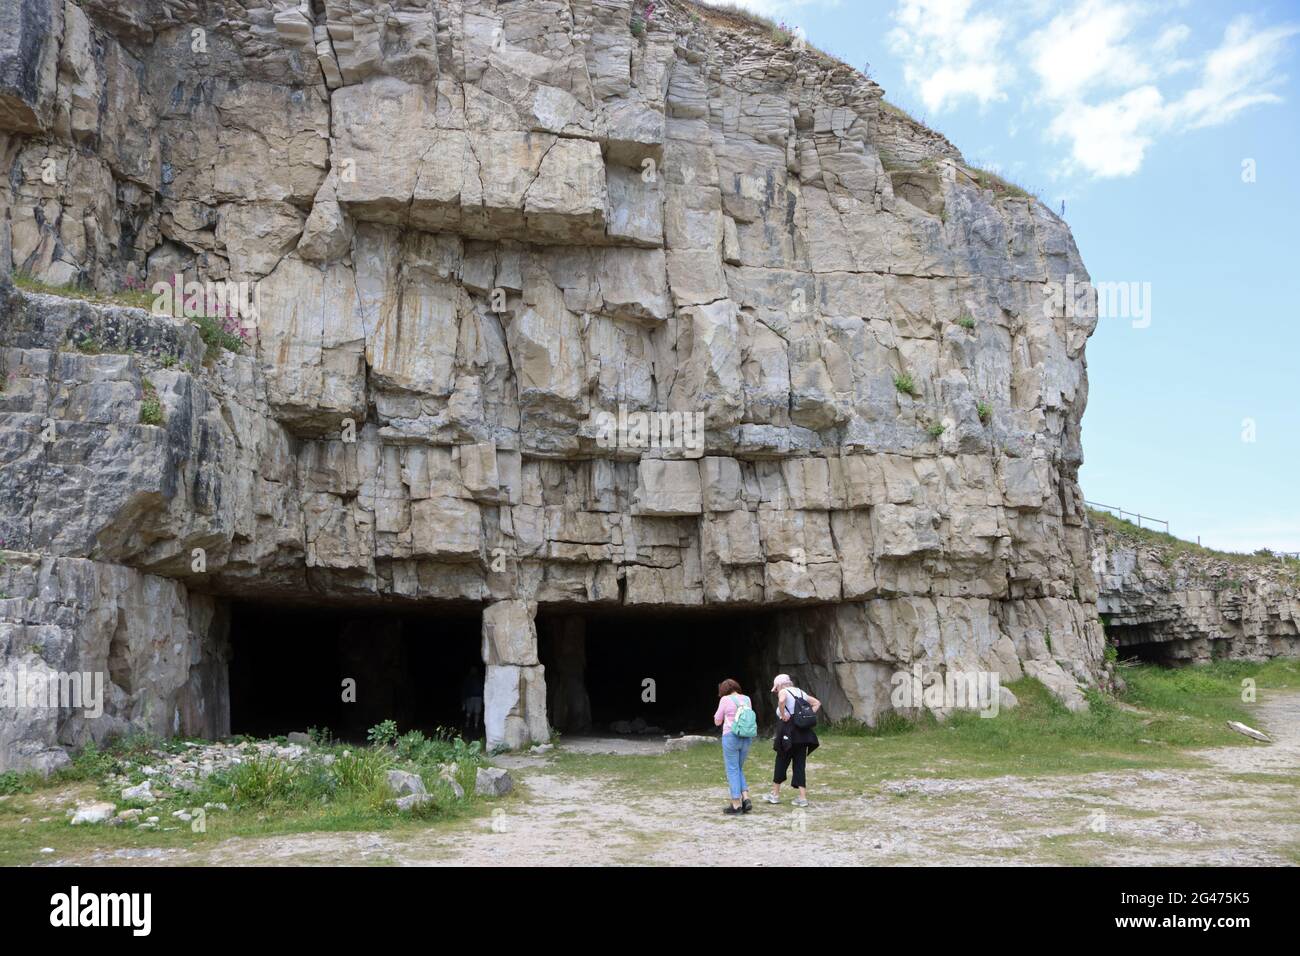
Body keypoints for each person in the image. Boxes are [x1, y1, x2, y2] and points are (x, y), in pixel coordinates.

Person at [765, 673, 820, 807]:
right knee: (800, 764)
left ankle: (775, 795)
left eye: (776, 688)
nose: (776, 691)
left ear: (779, 685)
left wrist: (784, 715)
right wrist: (804, 716)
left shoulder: (783, 691)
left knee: (781, 761)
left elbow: (782, 700)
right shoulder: (800, 692)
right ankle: (802, 798)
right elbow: (817, 703)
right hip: (803, 733)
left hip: (788, 732)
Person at [713, 678, 755, 815]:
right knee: (738, 767)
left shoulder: (725, 700)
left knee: (732, 769)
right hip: (746, 737)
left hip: (731, 737)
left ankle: (736, 804)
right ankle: (746, 798)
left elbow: (718, 720)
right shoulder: (747, 699)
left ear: (724, 690)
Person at [462, 665, 484, 737]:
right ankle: (467, 724)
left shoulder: (479, 678)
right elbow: (464, 690)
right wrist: (464, 702)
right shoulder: (468, 678)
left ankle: (476, 725)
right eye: (472, 669)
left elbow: (483, 688)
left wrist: (483, 699)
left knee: (477, 713)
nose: (473, 671)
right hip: (470, 698)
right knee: (469, 712)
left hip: (478, 698)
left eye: (474, 669)